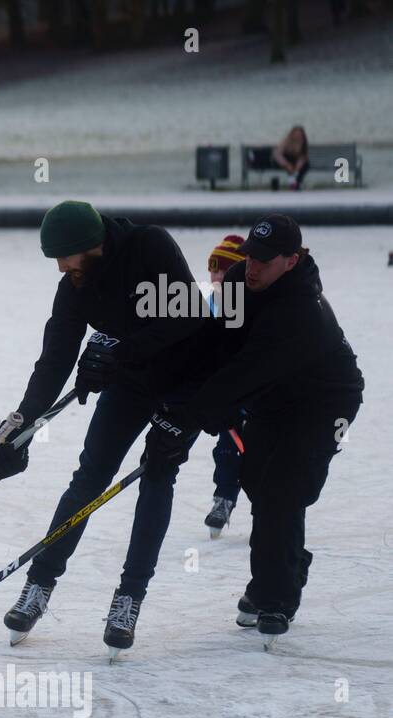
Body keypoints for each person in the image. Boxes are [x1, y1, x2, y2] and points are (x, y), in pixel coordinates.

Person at [0, 200, 206, 657]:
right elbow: (55, 359)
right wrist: (19, 428)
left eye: (66, 256)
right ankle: (39, 586)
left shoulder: (150, 247)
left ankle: (128, 599)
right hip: (131, 386)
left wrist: (116, 353)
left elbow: (189, 317)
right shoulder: (75, 286)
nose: (61, 267)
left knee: (157, 478)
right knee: (89, 477)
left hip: (184, 384)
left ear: (94, 244)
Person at [144, 215, 363, 645]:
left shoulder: (300, 310)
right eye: (250, 257)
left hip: (326, 404)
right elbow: (218, 344)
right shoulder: (243, 281)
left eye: (265, 260)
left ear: (292, 261)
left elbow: (245, 371)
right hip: (274, 398)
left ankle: (275, 596)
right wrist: (175, 398)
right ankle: (284, 568)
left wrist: (190, 419)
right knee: (256, 480)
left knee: (285, 488)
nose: (252, 267)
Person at [203, 234, 246, 537]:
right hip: (217, 394)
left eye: (223, 270)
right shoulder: (209, 302)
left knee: (249, 452)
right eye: (213, 269)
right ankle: (224, 498)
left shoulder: (248, 303)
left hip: (248, 396)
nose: (217, 276)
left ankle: (268, 510)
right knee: (226, 450)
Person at [272, 125, 309, 191]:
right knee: (289, 164)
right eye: (296, 134)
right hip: (284, 160)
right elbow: (278, 154)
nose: (298, 136)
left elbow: (303, 156)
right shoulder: (286, 141)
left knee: (306, 165)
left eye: (300, 134)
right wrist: (286, 164)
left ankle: (297, 182)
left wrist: (298, 166)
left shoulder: (303, 142)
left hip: (296, 161)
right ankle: (292, 182)